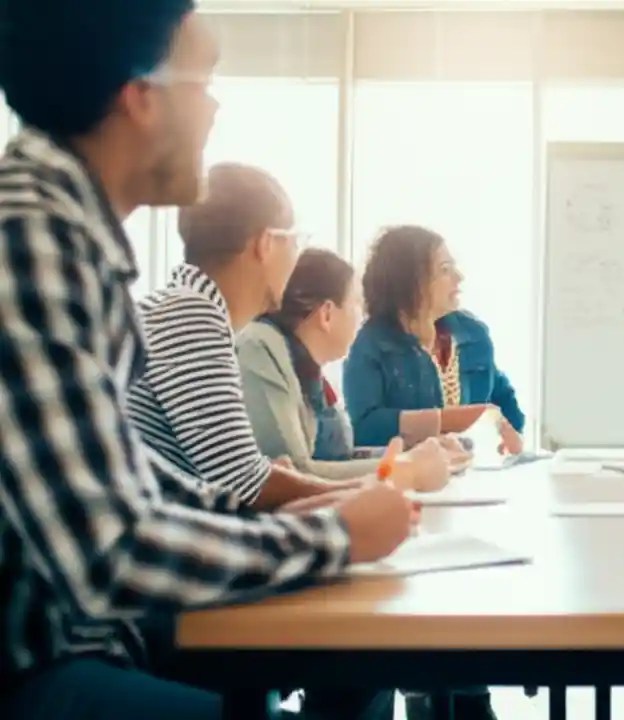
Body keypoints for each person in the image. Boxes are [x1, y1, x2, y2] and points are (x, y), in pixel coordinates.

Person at [0, 3, 411, 718]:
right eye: (206, 78)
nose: (216, 108)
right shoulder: (32, 242)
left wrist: (310, 514)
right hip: (40, 666)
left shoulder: (65, 235)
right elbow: (112, 552)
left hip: (89, 637)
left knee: (354, 678)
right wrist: (334, 534)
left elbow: (139, 487)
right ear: (141, 96)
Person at [128, 163, 449, 506]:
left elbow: (239, 475)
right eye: (296, 240)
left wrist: (273, 474)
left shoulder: (185, 309)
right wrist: (397, 477)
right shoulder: (191, 316)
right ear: (266, 244)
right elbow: (246, 487)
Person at [239, 248, 467, 484]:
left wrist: (415, 454)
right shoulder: (261, 347)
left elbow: (339, 458)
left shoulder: (309, 370)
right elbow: (292, 473)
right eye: (356, 304)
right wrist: (405, 466)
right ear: (327, 314)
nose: (362, 317)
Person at [345, 225, 525, 456]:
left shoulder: (472, 335)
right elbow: (363, 428)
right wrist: (447, 420)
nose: (459, 278)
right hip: (410, 480)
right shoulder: (371, 346)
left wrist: (515, 438)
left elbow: (501, 397)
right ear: (410, 281)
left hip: (472, 476)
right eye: (445, 270)